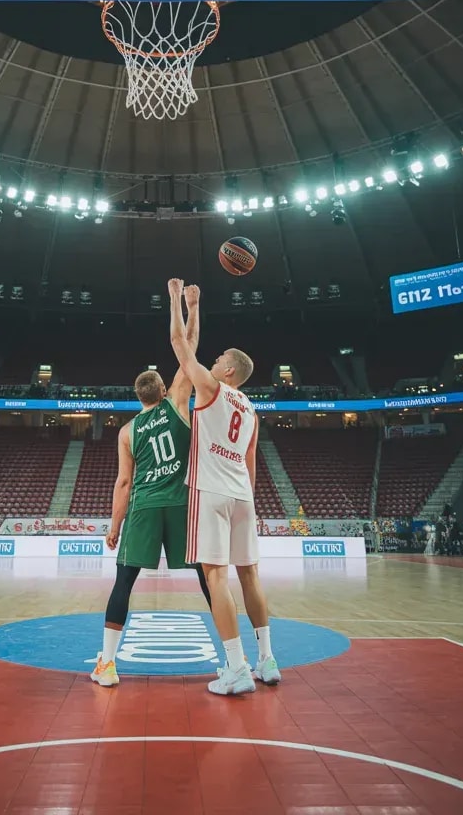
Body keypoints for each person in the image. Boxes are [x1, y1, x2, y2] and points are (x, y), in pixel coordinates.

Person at [91, 283, 213, 687]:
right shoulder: (178, 403)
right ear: (162, 390)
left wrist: (114, 526)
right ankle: (235, 657)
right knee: (206, 578)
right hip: (181, 505)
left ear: (137, 396)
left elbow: (124, 482)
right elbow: (187, 349)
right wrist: (190, 304)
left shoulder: (127, 431)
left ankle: (108, 665)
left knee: (124, 582)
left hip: (143, 506)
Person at [167, 277, 279, 695]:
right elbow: (250, 463)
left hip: (210, 490)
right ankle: (267, 659)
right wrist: (248, 501)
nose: (212, 363)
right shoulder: (251, 408)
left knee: (216, 577)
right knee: (251, 576)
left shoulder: (212, 387)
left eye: (217, 360)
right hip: (242, 495)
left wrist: (177, 300)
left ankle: (236, 668)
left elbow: (180, 346)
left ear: (228, 370)